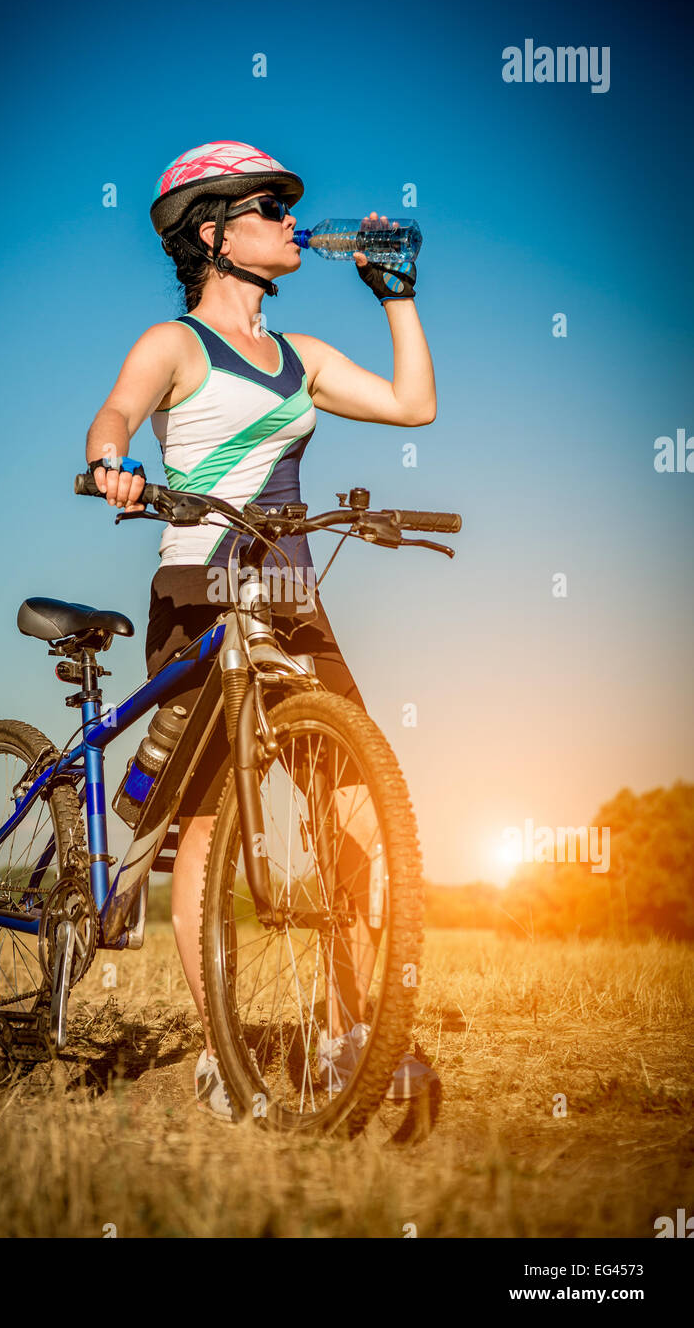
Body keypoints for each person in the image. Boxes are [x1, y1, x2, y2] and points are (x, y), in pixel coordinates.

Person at [85, 140, 436, 1120]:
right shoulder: (175, 346)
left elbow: (414, 406)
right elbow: (114, 414)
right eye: (269, 209)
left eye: (289, 209)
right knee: (203, 817)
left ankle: (346, 1032)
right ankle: (219, 1048)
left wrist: (392, 296)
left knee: (357, 801)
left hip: (289, 593)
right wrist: (113, 461)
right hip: (197, 589)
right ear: (213, 233)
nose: (291, 222)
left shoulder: (301, 358)